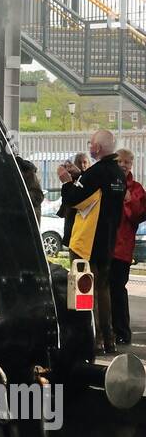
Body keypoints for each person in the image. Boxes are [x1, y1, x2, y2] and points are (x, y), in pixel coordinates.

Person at [58, 129, 127, 354]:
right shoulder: (118, 173)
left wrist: (67, 181)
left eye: (91, 143)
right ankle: (108, 338)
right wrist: (80, 176)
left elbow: (73, 199)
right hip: (107, 241)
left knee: (82, 292)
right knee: (103, 289)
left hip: (86, 243)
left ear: (97, 148)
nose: (89, 146)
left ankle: (88, 340)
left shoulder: (96, 173)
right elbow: (96, 195)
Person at [109, 148, 146, 346]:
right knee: (102, 291)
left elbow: (139, 216)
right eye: (120, 161)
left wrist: (129, 201)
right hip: (103, 246)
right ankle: (104, 331)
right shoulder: (106, 183)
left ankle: (122, 331)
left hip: (122, 249)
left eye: (127, 162)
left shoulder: (137, 189)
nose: (124, 165)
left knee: (117, 290)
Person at [58, 152, 90, 247]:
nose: (82, 165)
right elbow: (66, 201)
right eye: (79, 163)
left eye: (85, 162)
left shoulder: (90, 180)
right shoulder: (71, 180)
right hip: (71, 223)